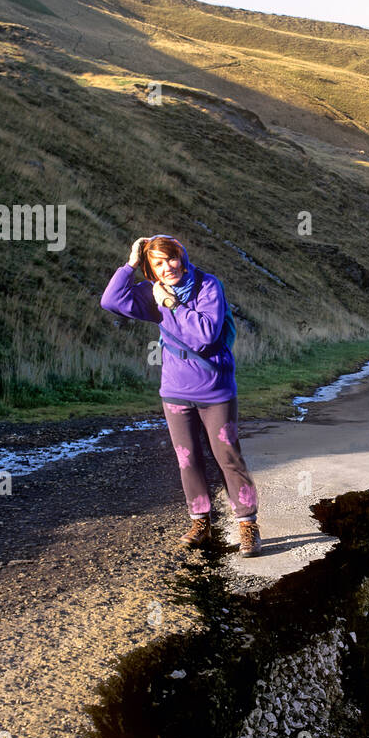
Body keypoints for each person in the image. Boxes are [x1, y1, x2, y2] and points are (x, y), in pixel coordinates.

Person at [100, 234, 262, 556]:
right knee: (187, 460)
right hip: (175, 390)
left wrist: (169, 304)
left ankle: (247, 524)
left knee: (227, 457)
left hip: (215, 389)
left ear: (182, 257)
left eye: (171, 258)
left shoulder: (207, 286)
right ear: (151, 268)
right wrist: (131, 264)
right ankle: (200, 522)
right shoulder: (152, 292)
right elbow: (111, 301)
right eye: (157, 263)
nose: (167, 267)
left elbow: (204, 334)